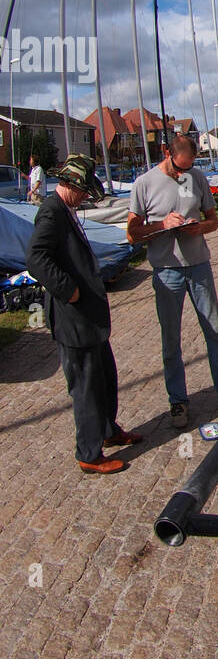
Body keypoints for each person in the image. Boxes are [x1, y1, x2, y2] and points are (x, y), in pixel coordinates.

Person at [26, 155, 142, 474]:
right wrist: (70, 290)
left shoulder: (65, 210)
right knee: (86, 387)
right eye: (85, 192)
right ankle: (88, 454)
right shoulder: (51, 212)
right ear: (73, 186)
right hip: (73, 319)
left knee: (105, 377)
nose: (86, 198)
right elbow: (36, 258)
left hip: (89, 319)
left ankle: (107, 431)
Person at [127, 135, 218, 428]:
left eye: (189, 167)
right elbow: (132, 233)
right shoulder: (144, 183)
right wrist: (161, 225)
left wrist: (200, 227)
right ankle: (178, 401)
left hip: (199, 266)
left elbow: (214, 221)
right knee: (171, 339)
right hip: (167, 270)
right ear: (167, 154)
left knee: (214, 329)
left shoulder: (196, 176)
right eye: (180, 168)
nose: (184, 174)